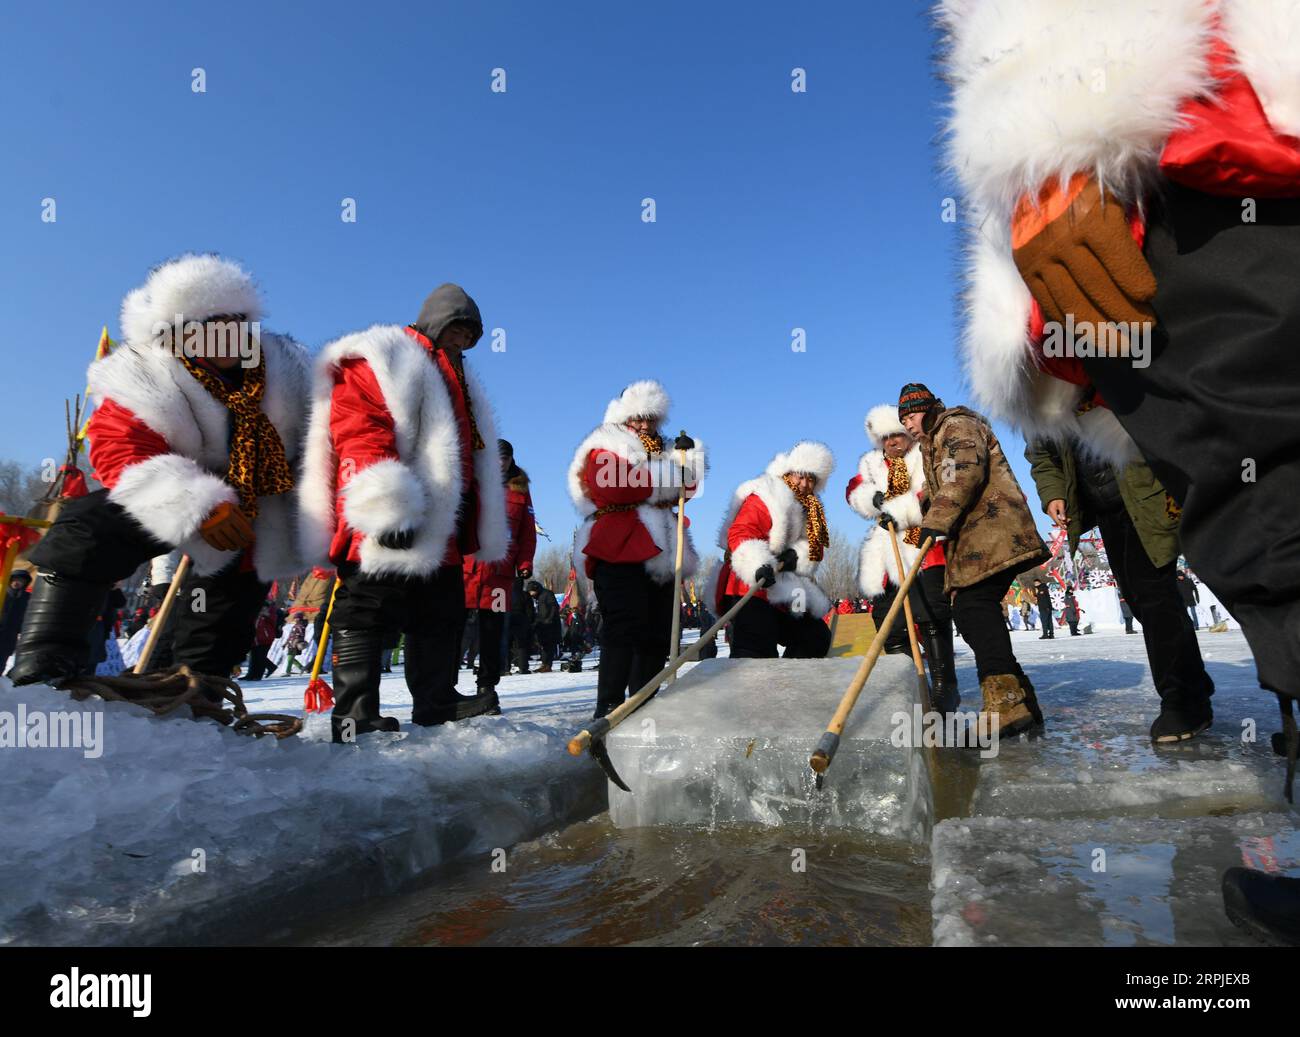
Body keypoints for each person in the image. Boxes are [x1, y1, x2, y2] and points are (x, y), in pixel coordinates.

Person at [937, 1, 1300, 942]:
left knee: (1243, 525)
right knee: (1233, 536)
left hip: (1212, 155)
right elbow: (1052, 453)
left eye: (908, 421)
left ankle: (1187, 696)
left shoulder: (958, 432)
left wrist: (1061, 123)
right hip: (1116, 398)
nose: (905, 431)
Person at [10, 255, 309, 690]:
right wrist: (197, 504)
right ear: (180, 332)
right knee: (86, 527)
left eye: (237, 321)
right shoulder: (144, 373)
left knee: (226, 601)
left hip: (255, 513)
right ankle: (45, 672)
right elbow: (120, 448)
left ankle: (195, 693)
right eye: (211, 324)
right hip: (172, 494)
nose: (228, 334)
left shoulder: (291, 374)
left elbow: (322, 443)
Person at [298, 283, 509, 740]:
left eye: (470, 338)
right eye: (457, 332)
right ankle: (355, 712)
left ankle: (437, 700)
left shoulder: (459, 377)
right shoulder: (385, 355)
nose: (464, 344)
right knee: (369, 605)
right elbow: (359, 427)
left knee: (442, 608)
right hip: (387, 510)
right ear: (437, 324)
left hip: (441, 520)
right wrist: (385, 502)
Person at [1027, 437, 1214, 739]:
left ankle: (1185, 697)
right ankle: (1190, 682)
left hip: (1147, 491)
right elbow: (1041, 454)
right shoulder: (1037, 397)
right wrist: (1053, 493)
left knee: (1156, 594)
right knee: (1141, 599)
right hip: (1105, 505)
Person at [899, 383, 1048, 735]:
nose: (906, 423)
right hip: (976, 538)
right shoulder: (932, 441)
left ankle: (1006, 703)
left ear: (930, 408)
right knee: (971, 608)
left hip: (994, 531)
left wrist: (934, 521)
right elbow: (944, 484)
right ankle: (1020, 701)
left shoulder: (955, 425)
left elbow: (963, 473)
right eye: (902, 418)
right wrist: (924, 505)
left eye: (911, 414)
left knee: (972, 607)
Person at [568, 380, 703, 718]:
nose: (644, 425)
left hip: (662, 552)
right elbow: (617, 486)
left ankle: (644, 701)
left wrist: (688, 460)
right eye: (638, 418)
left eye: (652, 419)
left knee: (656, 631)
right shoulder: (604, 445)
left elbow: (691, 488)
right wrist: (671, 477)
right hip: (619, 548)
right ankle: (610, 704)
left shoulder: (667, 453)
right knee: (624, 627)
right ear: (624, 418)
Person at [846, 403, 958, 710]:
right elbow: (853, 490)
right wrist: (872, 498)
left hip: (923, 545)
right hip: (886, 551)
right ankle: (911, 686)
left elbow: (938, 490)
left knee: (930, 613)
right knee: (889, 621)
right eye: (886, 437)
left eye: (897, 434)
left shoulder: (927, 454)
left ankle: (943, 686)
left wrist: (905, 510)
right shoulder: (871, 464)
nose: (893, 442)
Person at [711, 443, 834, 660]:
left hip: (786, 587)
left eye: (811, 479)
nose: (805, 484)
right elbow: (741, 531)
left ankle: (788, 686)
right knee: (755, 650)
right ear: (789, 472)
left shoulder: (811, 509)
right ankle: (752, 691)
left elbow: (814, 548)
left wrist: (797, 556)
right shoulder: (767, 494)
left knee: (815, 637)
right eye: (800, 476)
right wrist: (757, 564)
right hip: (750, 585)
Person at [463, 439, 536, 707]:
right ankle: (445, 687)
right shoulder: (471, 479)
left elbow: (527, 531)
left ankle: (487, 687)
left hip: (499, 575)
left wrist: (525, 562)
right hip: (466, 570)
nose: (499, 462)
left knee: (493, 632)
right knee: (455, 630)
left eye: (504, 458)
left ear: (510, 460)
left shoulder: (520, 488)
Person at [0, 570, 32, 674]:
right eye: (15, 579)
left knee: (1, 662)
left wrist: (22, 631)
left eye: (21, 580)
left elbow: (27, 617)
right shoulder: (2, 592)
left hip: (9, 636)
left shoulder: (27, 598)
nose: (17, 582)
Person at [528, 581, 562, 672]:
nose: (531, 594)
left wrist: (549, 619)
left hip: (550, 625)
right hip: (542, 624)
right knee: (543, 645)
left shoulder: (547, 594)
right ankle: (544, 663)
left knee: (549, 645)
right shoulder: (539, 597)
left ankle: (547, 665)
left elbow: (554, 607)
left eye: (532, 591)